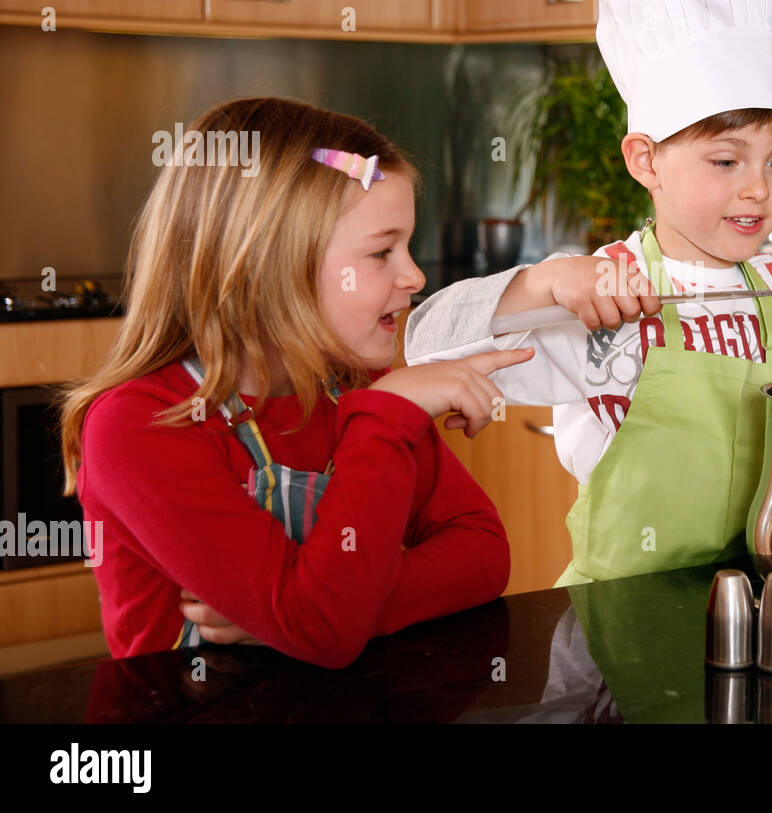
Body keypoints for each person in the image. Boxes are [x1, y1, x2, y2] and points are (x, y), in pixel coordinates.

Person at [405, 0, 772, 586]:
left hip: (755, 621)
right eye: (726, 160)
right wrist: (544, 282)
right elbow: (418, 347)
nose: (758, 188)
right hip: (616, 637)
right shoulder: (601, 294)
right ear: (645, 160)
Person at [60, 96, 533, 668]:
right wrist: (385, 418)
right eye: (382, 252)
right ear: (271, 265)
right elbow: (322, 627)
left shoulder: (361, 385)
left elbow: (482, 553)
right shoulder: (139, 426)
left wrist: (332, 610)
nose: (414, 276)